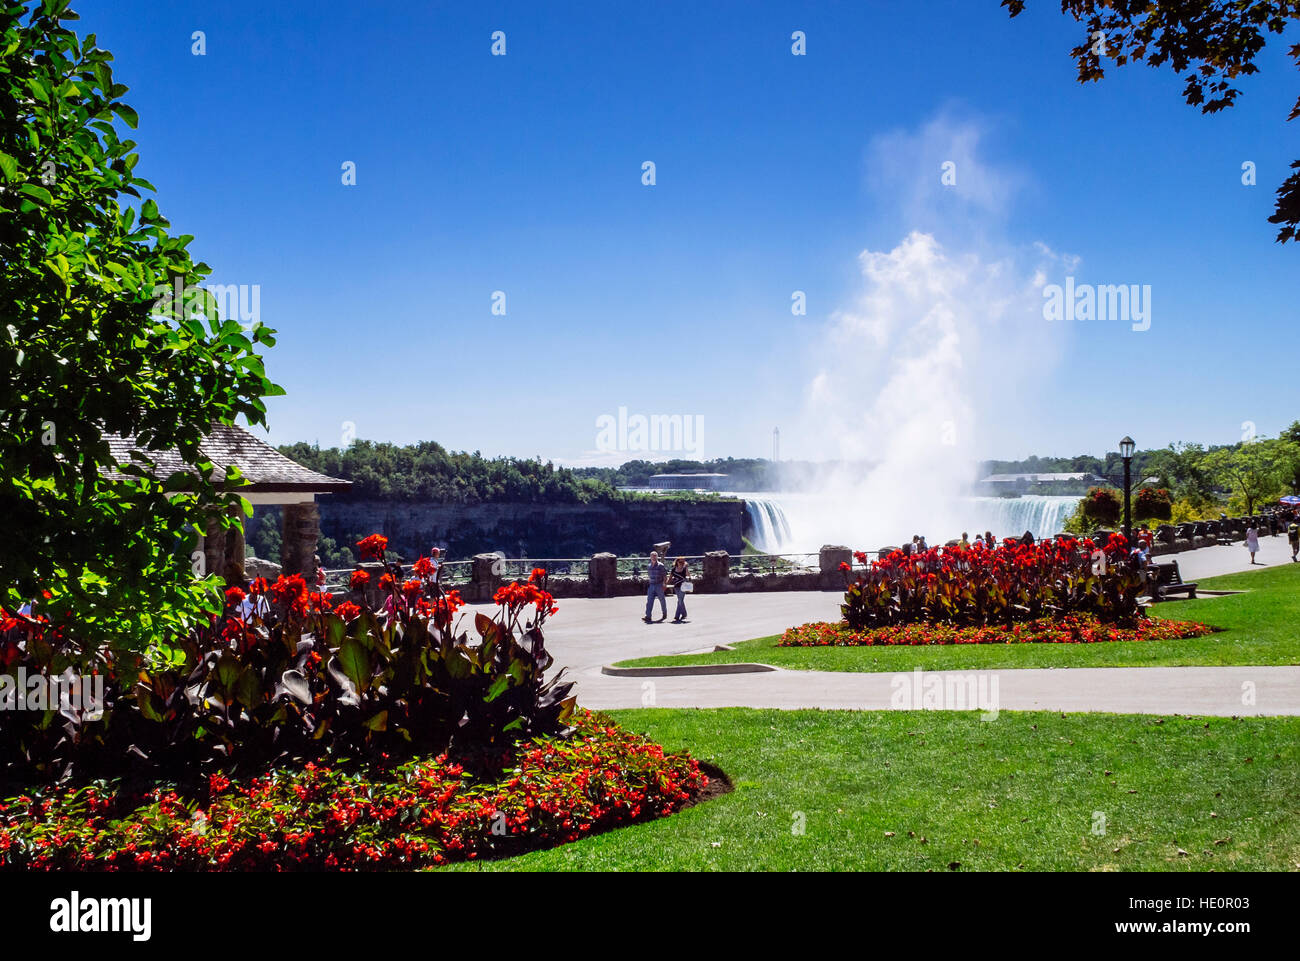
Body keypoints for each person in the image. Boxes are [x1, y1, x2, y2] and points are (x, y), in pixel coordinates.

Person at [643, 551, 667, 623]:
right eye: (652, 556)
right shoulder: (649, 566)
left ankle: (664, 613)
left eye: (655, 556)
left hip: (659, 585)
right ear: (650, 557)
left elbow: (665, 576)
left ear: (657, 557)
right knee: (649, 601)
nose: (653, 557)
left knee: (662, 600)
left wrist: (664, 584)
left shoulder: (660, 565)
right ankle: (648, 616)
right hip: (651, 585)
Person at [667, 556, 691, 623]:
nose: (681, 563)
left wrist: (686, 568)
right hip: (676, 586)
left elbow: (688, 575)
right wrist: (665, 585)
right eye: (680, 562)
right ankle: (684, 614)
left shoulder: (684, 569)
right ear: (677, 562)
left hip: (683, 586)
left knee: (680, 601)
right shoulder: (673, 569)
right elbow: (670, 578)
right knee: (681, 600)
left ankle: (677, 616)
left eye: (683, 562)